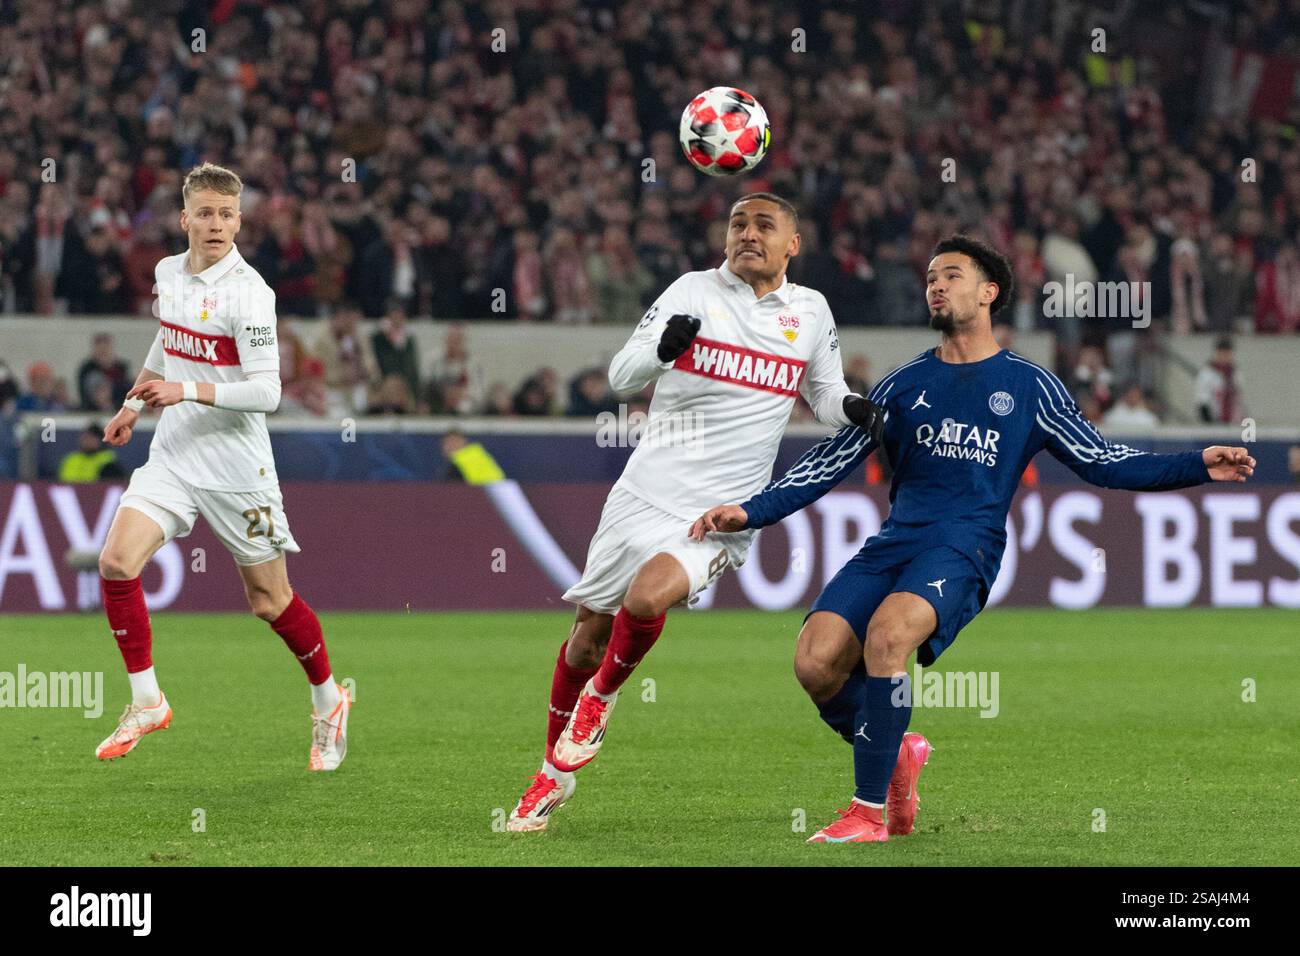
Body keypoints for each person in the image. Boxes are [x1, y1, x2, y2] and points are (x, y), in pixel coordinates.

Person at [691, 234, 1254, 844]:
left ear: (989, 293)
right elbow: (829, 463)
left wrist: (1197, 464)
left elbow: (1105, 461)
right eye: (932, 276)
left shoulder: (1031, 387)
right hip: (896, 542)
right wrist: (749, 512)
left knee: (888, 636)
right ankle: (898, 755)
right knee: (814, 662)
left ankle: (867, 813)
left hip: (965, 547)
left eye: (952, 275)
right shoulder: (902, 385)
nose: (937, 285)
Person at [505, 192, 884, 831]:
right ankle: (551, 775)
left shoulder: (811, 310)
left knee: (649, 599)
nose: (747, 234)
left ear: (794, 244)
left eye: (765, 225)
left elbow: (821, 392)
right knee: (584, 642)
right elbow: (622, 377)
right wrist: (662, 349)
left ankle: (599, 703)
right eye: (738, 223)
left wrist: (855, 409)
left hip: (720, 510)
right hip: (645, 491)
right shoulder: (692, 291)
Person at [94, 163, 351, 770]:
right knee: (114, 561)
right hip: (176, 453)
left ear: (240, 221)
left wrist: (186, 392)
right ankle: (147, 701)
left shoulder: (250, 294)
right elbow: (167, 340)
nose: (216, 225)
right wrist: (133, 403)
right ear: (185, 218)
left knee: (270, 601)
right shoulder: (167, 272)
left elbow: (268, 393)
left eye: (227, 215)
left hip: (238, 467)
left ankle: (327, 699)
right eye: (205, 213)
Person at [59, 424, 124, 482]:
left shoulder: (108, 462)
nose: (86, 442)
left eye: (91, 438)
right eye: (85, 438)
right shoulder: (71, 459)